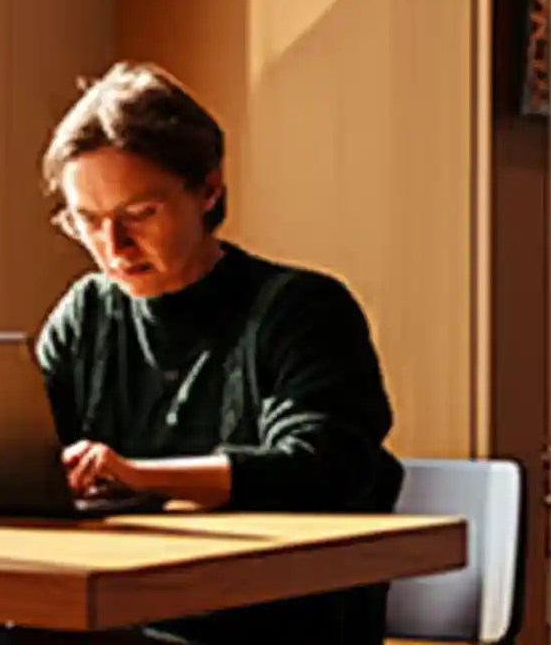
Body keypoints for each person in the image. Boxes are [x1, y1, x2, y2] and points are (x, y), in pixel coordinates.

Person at [37, 62, 403, 645]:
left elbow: (322, 465)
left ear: (209, 189)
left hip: (275, 617)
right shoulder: (87, 315)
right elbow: (19, 452)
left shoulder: (301, 309)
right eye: (88, 221)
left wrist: (137, 477)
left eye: (139, 215)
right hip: (127, 605)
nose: (113, 247)